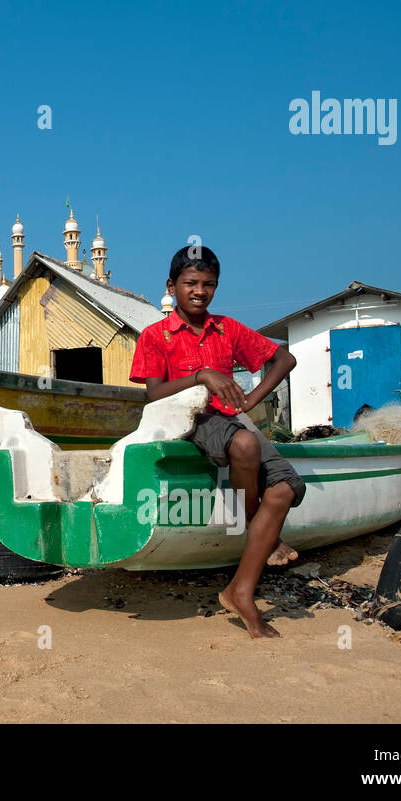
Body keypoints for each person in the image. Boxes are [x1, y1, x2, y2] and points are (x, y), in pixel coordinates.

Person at [129, 245, 304, 638]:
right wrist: (202, 376)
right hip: (189, 418)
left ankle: (240, 591)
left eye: (209, 284)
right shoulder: (156, 336)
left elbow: (284, 360)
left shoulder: (227, 329)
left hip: (233, 419)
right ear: (171, 286)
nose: (199, 291)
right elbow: (154, 394)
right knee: (245, 446)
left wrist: (252, 400)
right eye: (190, 283)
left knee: (283, 490)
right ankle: (255, 527)